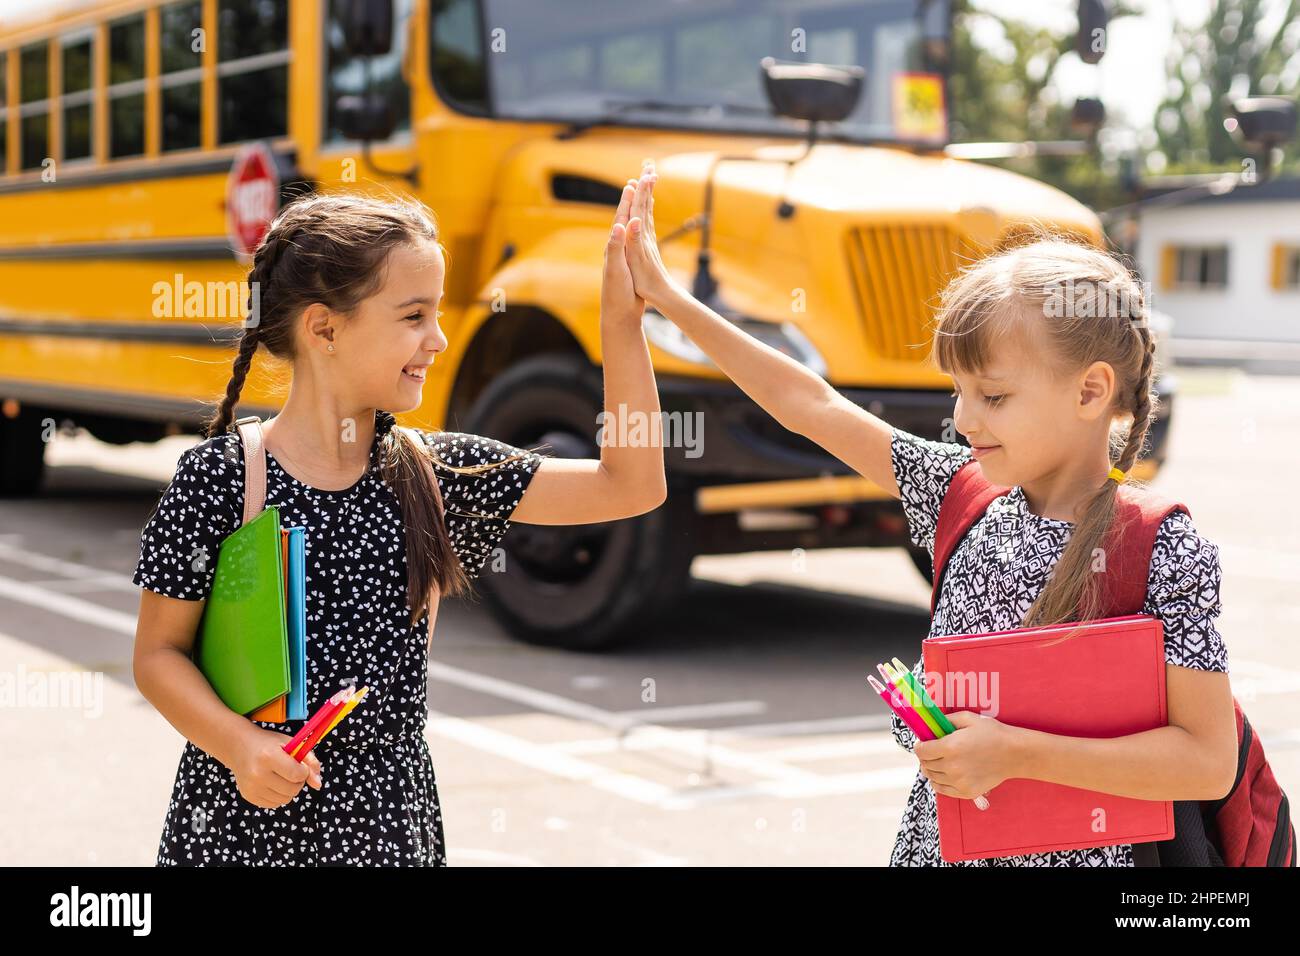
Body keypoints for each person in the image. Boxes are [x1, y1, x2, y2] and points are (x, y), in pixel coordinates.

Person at [617, 162, 1236, 866]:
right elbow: (809, 404)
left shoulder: (1162, 549)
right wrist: (668, 297)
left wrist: (1014, 755)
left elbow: (1206, 761)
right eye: (958, 391)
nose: (962, 418)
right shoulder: (959, 491)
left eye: (993, 397)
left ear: (1091, 391)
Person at [132, 178, 666, 865]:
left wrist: (623, 323)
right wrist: (240, 745)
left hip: (388, 834)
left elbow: (631, 484)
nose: (439, 339)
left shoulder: (431, 475)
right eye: (414, 316)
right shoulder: (219, 479)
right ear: (323, 328)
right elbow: (157, 656)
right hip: (238, 833)